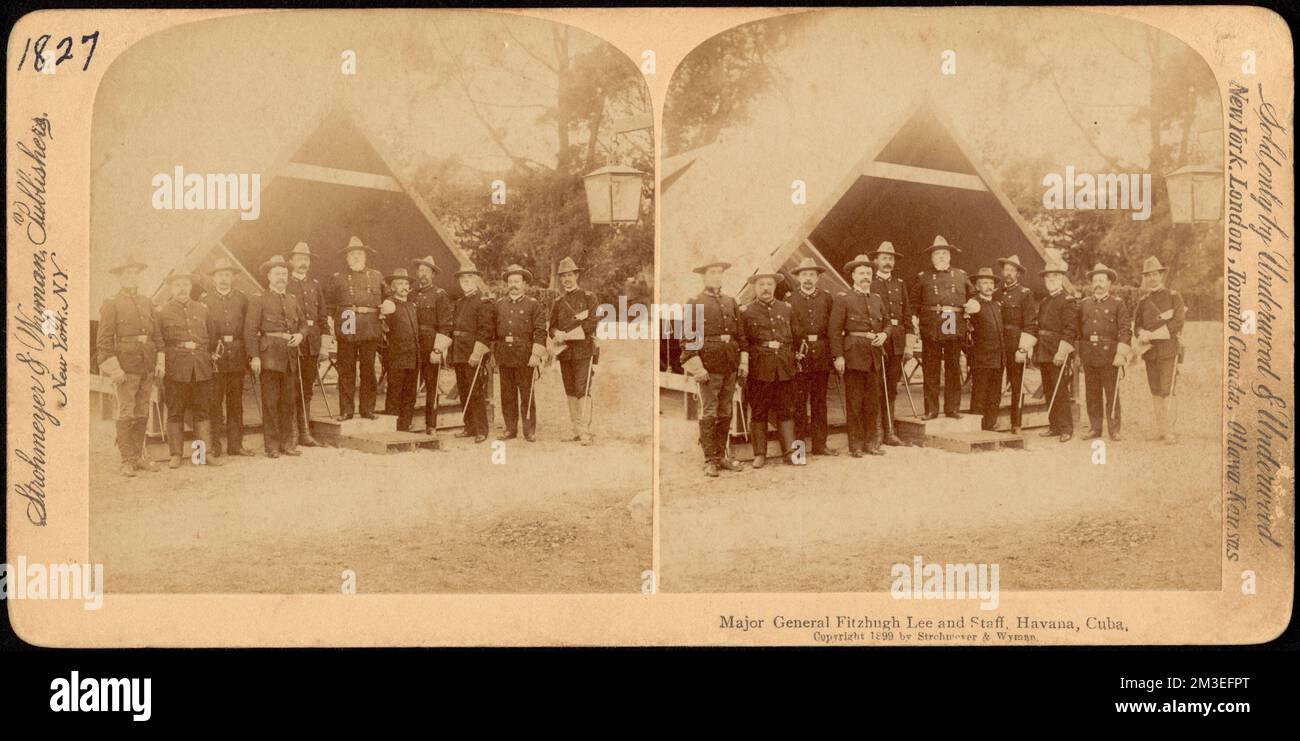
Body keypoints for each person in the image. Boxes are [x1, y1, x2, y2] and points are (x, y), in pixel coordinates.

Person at [680, 256, 746, 477]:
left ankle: (721, 455)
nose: (717, 276)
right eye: (712, 272)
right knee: (709, 410)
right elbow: (688, 339)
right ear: (704, 276)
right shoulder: (695, 302)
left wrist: (742, 361)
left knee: (726, 410)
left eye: (720, 272)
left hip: (730, 363)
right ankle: (709, 459)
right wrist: (698, 368)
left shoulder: (730, 301)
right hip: (708, 365)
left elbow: (741, 336)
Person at [96, 256, 161, 477]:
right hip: (126, 367)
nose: (131, 277)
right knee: (126, 411)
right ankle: (126, 460)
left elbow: (156, 335)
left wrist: (158, 360)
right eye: (127, 274)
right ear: (119, 278)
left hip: (146, 364)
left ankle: (138, 456)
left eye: (135, 273)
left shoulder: (147, 302)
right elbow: (103, 341)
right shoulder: (111, 303)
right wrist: (115, 369)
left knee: (143, 409)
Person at [155, 271, 222, 469]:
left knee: (202, 411)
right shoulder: (162, 312)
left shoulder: (202, 309)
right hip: (176, 369)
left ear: (191, 287)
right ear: (171, 288)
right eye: (177, 285)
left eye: (185, 284)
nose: (182, 288)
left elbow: (211, 336)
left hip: (200, 368)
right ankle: (175, 455)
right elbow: (160, 341)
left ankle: (203, 455)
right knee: (175, 411)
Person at [909, 235, 977, 420]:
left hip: (953, 323)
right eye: (937, 254)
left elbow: (973, 296)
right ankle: (931, 410)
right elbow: (913, 303)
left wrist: (972, 303)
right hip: (931, 325)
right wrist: (914, 322)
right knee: (930, 368)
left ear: (950, 256)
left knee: (953, 367)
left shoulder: (961, 275)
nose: (941, 257)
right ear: (932, 257)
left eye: (944, 253)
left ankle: (952, 408)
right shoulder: (923, 277)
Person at [246, 255, 307, 458]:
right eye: (277, 274)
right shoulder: (259, 299)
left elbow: (304, 324)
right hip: (269, 357)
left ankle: (287, 444)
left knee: (288, 401)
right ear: (269, 277)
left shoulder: (292, 299)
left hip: (289, 357)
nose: (281, 277)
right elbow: (250, 330)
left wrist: (299, 335)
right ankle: (271, 446)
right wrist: (254, 357)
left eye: (284, 274)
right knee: (271, 403)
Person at [739, 272, 800, 468]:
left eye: (769, 284)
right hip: (759, 368)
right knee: (759, 410)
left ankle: (790, 453)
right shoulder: (746, 312)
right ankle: (759, 454)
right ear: (755, 288)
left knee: (787, 409)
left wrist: (795, 357)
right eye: (761, 284)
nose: (766, 288)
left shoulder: (786, 308)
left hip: (784, 366)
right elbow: (744, 342)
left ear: (775, 286)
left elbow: (797, 336)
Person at [830, 255, 888, 457]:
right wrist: (838, 356)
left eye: (868, 273)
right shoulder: (843, 298)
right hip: (853, 355)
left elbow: (888, 323)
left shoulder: (876, 299)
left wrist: (884, 334)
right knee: (855, 402)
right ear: (853, 275)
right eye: (861, 273)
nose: (865, 277)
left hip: (873, 356)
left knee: (872, 402)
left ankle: (871, 443)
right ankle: (855, 445)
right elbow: (834, 330)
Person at [326, 236, 385, 421]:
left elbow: (389, 297)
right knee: (346, 368)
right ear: (347, 257)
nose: (356, 257)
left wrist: (388, 305)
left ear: (365, 256)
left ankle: (367, 409)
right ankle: (346, 410)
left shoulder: (376, 276)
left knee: (368, 368)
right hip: (348, 318)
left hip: (369, 322)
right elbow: (329, 304)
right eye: (352, 254)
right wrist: (329, 323)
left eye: (359, 254)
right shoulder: (338, 278)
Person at [785, 257, 836, 456]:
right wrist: (793, 354)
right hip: (800, 356)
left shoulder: (827, 298)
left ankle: (820, 445)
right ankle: (799, 449)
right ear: (798, 277)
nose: (808, 279)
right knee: (798, 403)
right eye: (804, 275)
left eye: (812, 275)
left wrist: (832, 356)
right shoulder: (789, 300)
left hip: (821, 355)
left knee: (819, 402)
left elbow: (833, 328)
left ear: (818, 278)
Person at [1131, 256, 1185, 443]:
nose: (1152, 278)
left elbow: (1178, 322)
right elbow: (1136, 325)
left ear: (1161, 275)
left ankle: (1170, 431)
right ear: (1145, 278)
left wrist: (1152, 335)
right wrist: (1141, 333)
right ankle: (1161, 429)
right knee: (1155, 390)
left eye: (1155, 274)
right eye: (1148, 275)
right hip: (1150, 353)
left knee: (1167, 389)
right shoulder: (1143, 301)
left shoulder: (1173, 296)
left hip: (1169, 351)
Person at [203, 258, 252, 458]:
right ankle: (215, 445)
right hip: (216, 356)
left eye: (227, 274)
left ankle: (236, 445)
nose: (224, 278)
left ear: (232, 277)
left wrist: (249, 356)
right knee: (214, 402)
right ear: (214, 278)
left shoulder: (242, 299)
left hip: (237, 356)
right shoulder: (205, 301)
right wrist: (208, 354)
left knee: (235, 403)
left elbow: (249, 329)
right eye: (220, 275)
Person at [548, 256, 600, 445]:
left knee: (582, 389)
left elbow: (593, 322)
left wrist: (568, 334)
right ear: (560, 279)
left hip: (584, 352)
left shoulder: (589, 297)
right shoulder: (558, 302)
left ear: (577, 275)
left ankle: (585, 431)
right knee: (569, 389)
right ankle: (576, 429)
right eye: (563, 276)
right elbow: (551, 327)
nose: (567, 279)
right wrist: (557, 333)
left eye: (570, 275)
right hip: (565, 353)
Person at [1076, 263, 1131, 441]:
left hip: (1110, 356)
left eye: (1101, 280)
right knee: (1092, 394)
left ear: (1109, 283)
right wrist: (1078, 355)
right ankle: (1095, 428)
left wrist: (1120, 354)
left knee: (1111, 394)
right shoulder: (1084, 304)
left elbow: (1125, 330)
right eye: (1095, 281)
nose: (1098, 284)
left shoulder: (1118, 304)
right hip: (1089, 355)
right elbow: (1077, 330)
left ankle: (1114, 429)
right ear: (1092, 284)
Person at [494, 264, 547, 441]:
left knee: (527, 394)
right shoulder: (499, 304)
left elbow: (540, 331)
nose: (513, 285)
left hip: (526, 356)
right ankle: (510, 429)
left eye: (517, 281)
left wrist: (536, 354)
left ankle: (529, 430)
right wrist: (494, 355)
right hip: (505, 355)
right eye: (510, 281)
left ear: (524, 284)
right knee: (507, 394)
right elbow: (493, 331)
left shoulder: (533, 305)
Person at [285, 241, 327, 446]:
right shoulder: (286, 284)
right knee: (293, 387)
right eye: (299, 259)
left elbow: (322, 316)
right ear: (291, 261)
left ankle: (305, 431)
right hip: (294, 342)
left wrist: (324, 344)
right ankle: (292, 433)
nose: (303, 262)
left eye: (306, 259)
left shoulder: (315, 285)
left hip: (313, 342)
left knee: (307, 387)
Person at [992, 254, 1039, 433]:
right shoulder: (995, 292)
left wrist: (1023, 348)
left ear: (1018, 273)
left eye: (1012, 270)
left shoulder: (1024, 294)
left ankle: (1016, 423)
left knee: (1017, 384)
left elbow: (1030, 324)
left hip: (1015, 344)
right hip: (997, 342)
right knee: (995, 383)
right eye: (1006, 269)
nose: (1008, 273)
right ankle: (991, 421)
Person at [1033, 260, 1079, 442]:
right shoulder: (1045, 301)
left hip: (1057, 350)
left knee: (1060, 389)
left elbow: (1070, 329)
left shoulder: (1067, 301)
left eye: (1055, 276)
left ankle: (1066, 428)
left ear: (1061, 279)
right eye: (1048, 277)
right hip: (1044, 350)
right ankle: (1053, 426)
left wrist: (1062, 352)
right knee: (1049, 388)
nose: (1051, 280)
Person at [449, 263, 494, 443]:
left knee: (476, 391)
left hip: (473, 352)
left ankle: (481, 429)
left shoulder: (483, 302)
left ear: (475, 279)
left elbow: (485, 331)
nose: (465, 281)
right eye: (463, 279)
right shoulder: (460, 302)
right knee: (463, 389)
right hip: (459, 351)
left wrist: (476, 354)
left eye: (469, 278)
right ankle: (469, 427)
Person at [870, 242, 910, 445]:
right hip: (878, 341)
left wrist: (909, 342)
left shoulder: (900, 284)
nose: (888, 262)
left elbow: (907, 315)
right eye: (884, 258)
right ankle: (877, 432)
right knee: (877, 385)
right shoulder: (870, 283)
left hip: (898, 341)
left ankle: (890, 431)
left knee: (891, 386)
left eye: (891, 258)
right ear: (876, 260)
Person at [410, 256, 454, 435]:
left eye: (427, 271)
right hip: (412, 344)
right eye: (420, 270)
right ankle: (406, 422)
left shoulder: (439, 295)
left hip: (430, 344)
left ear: (433, 274)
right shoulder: (411, 294)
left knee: (431, 385)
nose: (423, 274)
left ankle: (431, 424)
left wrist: (437, 350)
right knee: (409, 384)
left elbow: (446, 325)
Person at [381, 268, 422, 432]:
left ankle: (405, 426)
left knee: (410, 394)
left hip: (413, 358)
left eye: (406, 283)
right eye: (400, 283)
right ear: (393, 286)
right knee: (394, 393)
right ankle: (391, 429)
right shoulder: (389, 304)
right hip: (396, 357)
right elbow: (383, 329)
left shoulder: (412, 305)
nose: (404, 287)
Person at [967, 268, 1006, 431]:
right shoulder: (973, 304)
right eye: (984, 282)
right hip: (981, 358)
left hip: (998, 358)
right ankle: (976, 428)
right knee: (979, 394)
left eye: (991, 283)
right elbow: (966, 331)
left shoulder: (996, 305)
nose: (989, 286)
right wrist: (972, 353)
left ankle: (990, 425)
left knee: (994, 395)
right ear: (977, 285)